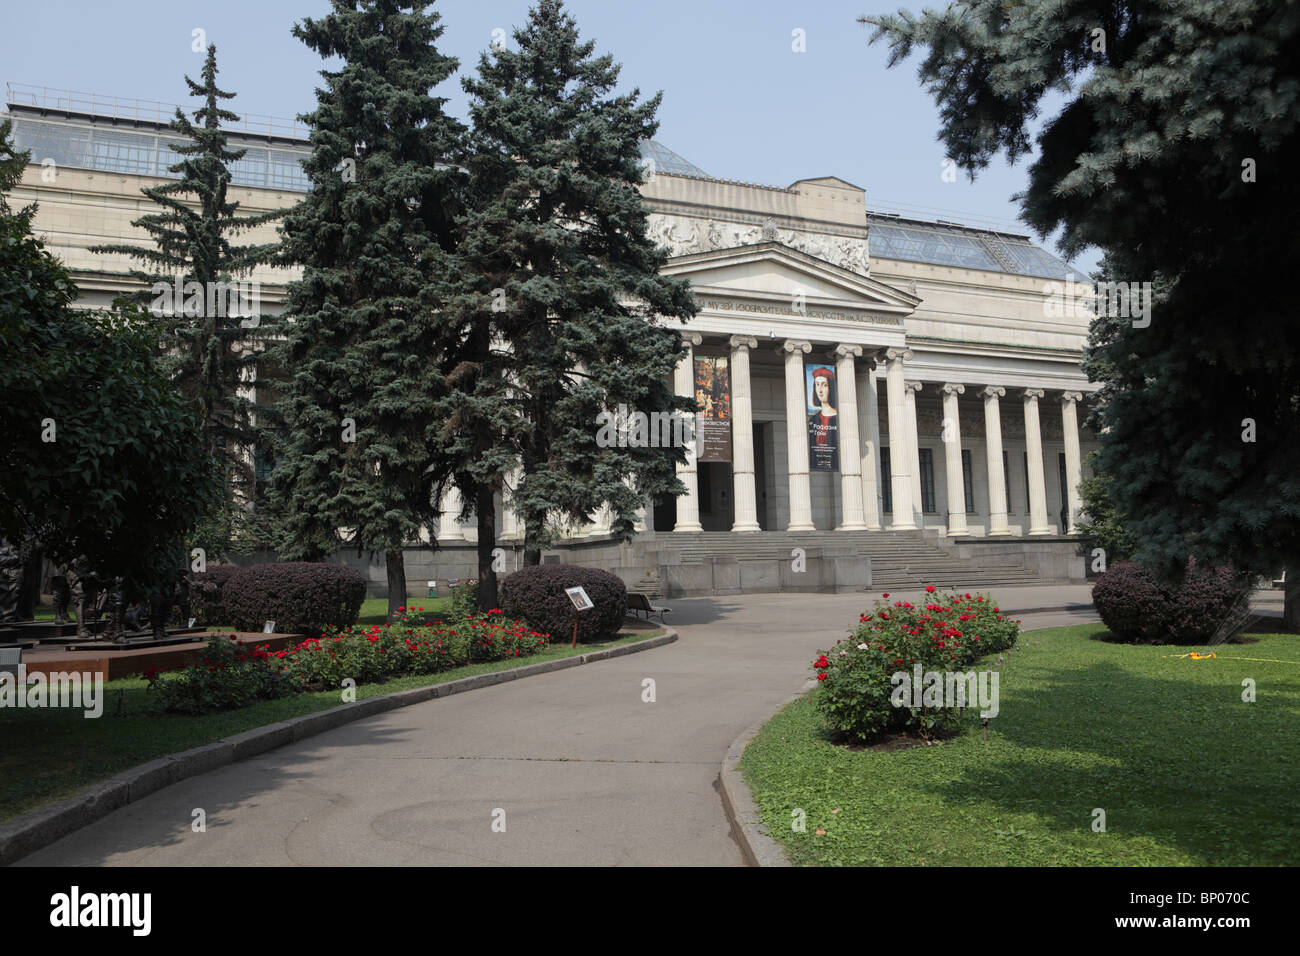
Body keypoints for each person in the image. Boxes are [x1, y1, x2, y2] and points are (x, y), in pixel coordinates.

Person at [807, 367, 839, 471]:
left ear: (830, 387)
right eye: (817, 385)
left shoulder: (836, 419)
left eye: (824, 385)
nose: (820, 390)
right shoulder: (813, 420)